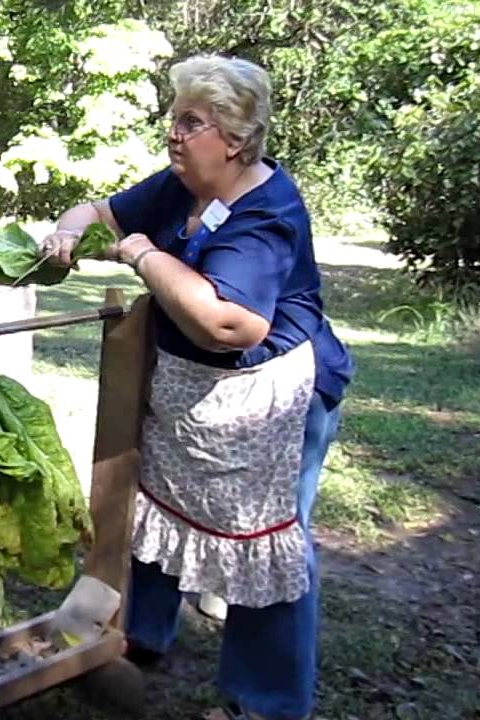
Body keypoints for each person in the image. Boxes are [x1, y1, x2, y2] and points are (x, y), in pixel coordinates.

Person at [40, 54, 354, 720]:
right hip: (194, 396)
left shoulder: (266, 213)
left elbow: (228, 323)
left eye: (192, 122)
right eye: (173, 118)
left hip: (271, 399)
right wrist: (70, 229)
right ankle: (137, 638)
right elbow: (102, 211)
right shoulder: (186, 183)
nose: (172, 134)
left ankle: (264, 702)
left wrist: (146, 256)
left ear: (237, 139)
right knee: (155, 508)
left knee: (267, 547)